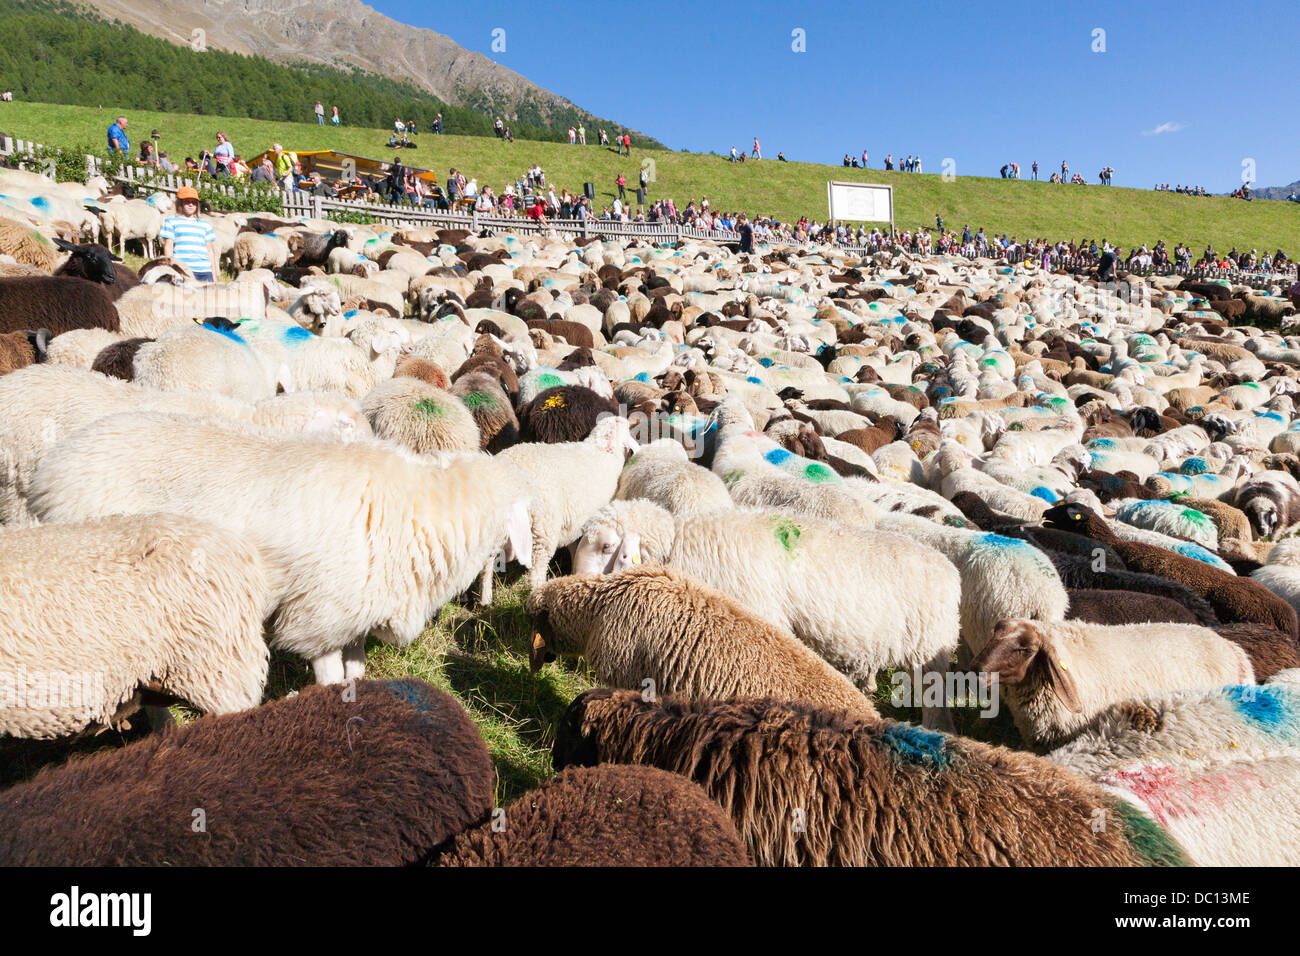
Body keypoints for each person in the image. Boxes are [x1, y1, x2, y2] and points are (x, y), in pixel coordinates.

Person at [160, 186, 218, 283]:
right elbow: (168, 246)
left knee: (206, 297)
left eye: (194, 202)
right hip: (183, 269)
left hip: (204, 270)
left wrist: (214, 275)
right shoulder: (171, 222)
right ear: (180, 203)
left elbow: (209, 251)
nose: (191, 205)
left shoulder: (205, 224)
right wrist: (170, 269)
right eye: (187, 202)